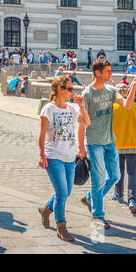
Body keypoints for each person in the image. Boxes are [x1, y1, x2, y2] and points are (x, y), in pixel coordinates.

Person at [77, 57, 136, 233]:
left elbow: (127, 105)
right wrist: (81, 147)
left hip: (110, 141)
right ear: (98, 73)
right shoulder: (87, 94)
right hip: (94, 142)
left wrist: (133, 86)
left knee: (115, 175)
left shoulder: (111, 90)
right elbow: (81, 123)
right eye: (108, 71)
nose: (111, 74)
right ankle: (97, 215)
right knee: (99, 179)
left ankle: (90, 198)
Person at [38, 75, 86, 242]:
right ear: (60, 90)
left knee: (67, 192)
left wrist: (81, 106)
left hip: (70, 157)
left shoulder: (72, 108)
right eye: (70, 89)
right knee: (61, 192)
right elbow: (42, 134)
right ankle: (61, 227)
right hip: (53, 156)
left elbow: (85, 122)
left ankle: (46, 210)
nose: (72, 92)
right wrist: (41, 154)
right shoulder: (48, 109)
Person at [110, 81, 136, 215]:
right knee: (133, 173)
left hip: (116, 146)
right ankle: (132, 200)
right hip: (133, 146)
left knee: (118, 171)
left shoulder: (111, 108)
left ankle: (118, 194)